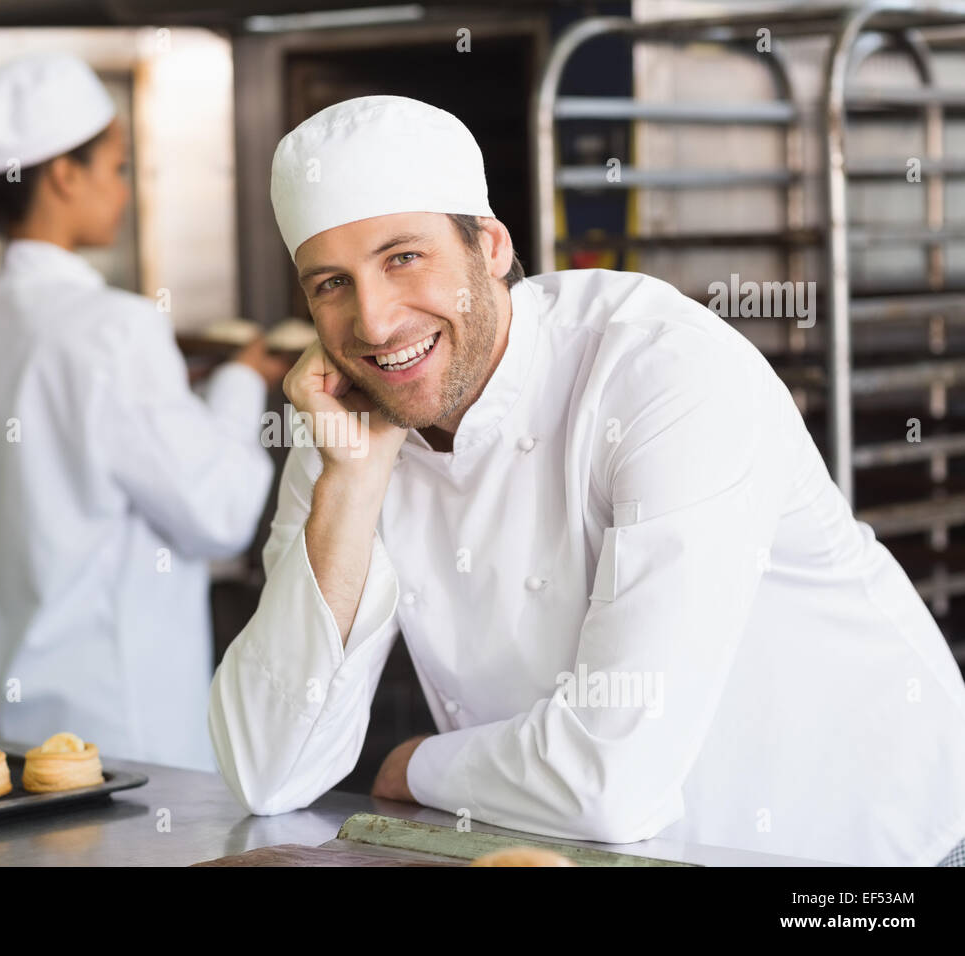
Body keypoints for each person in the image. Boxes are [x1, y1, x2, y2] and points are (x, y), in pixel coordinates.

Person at [208, 94, 965, 865]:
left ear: (492, 246)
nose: (373, 323)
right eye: (331, 283)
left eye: (403, 258)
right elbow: (269, 772)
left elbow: (611, 779)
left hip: (877, 844)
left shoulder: (661, 371)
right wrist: (352, 486)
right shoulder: (349, 417)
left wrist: (413, 767)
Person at [0, 54, 287, 771]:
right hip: (123, 738)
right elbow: (220, 512)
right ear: (63, 174)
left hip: (8, 733)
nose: (123, 188)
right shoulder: (112, 328)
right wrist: (242, 385)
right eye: (116, 168)